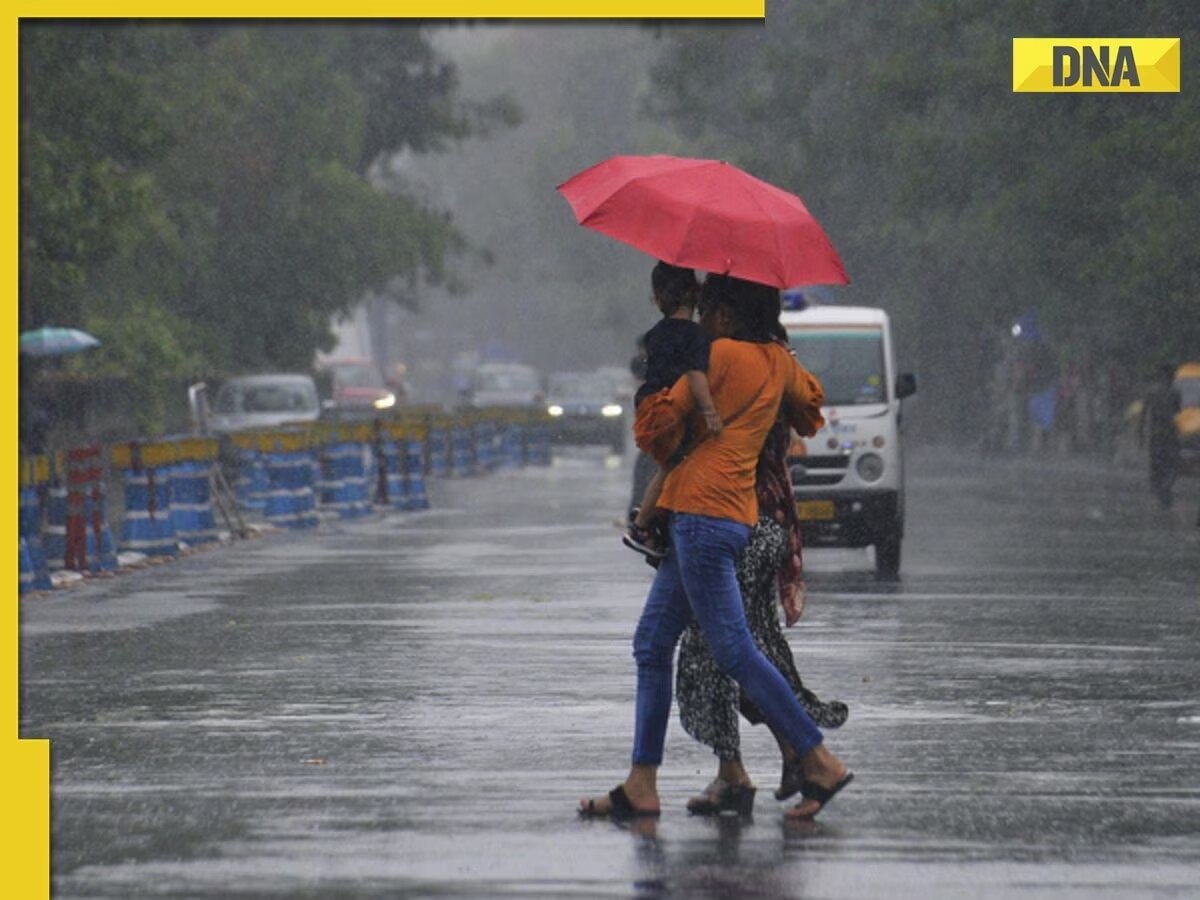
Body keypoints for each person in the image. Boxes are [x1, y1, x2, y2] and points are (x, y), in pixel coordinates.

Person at [580, 274, 853, 822]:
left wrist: (657, 384)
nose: (701, 319)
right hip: (730, 514)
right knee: (652, 643)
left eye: (707, 310)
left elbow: (655, 429)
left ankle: (818, 758)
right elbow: (810, 410)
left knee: (733, 650)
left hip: (701, 516)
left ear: (726, 315)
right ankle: (641, 782)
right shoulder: (778, 362)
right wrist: (781, 368)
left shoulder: (718, 354)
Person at [677, 411, 849, 817]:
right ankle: (775, 760)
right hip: (766, 521)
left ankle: (805, 758)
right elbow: (807, 411)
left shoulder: (730, 387)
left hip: (739, 523)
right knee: (744, 648)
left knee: (719, 651)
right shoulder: (773, 379)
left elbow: (682, 442)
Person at [623, 262, 722, 560]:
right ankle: (643, 525)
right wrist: (710, 412)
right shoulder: (696, 336)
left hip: (649, 407)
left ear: (657, 298)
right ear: (696, 294)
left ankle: (652, 522)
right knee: (675, 466)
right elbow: (694, 374)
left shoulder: (654, 334)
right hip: (671, 411)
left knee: (667, 466)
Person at [1140, 364, 1180, 509]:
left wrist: (1140, 433)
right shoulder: (1175, 392)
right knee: (1169, 462)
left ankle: (1160, 488)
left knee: (1157, 463)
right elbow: (1177, 411)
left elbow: (1144, 413)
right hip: (1169, 432)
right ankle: (1164, 487)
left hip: (1156, 433)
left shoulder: (1151, 392)